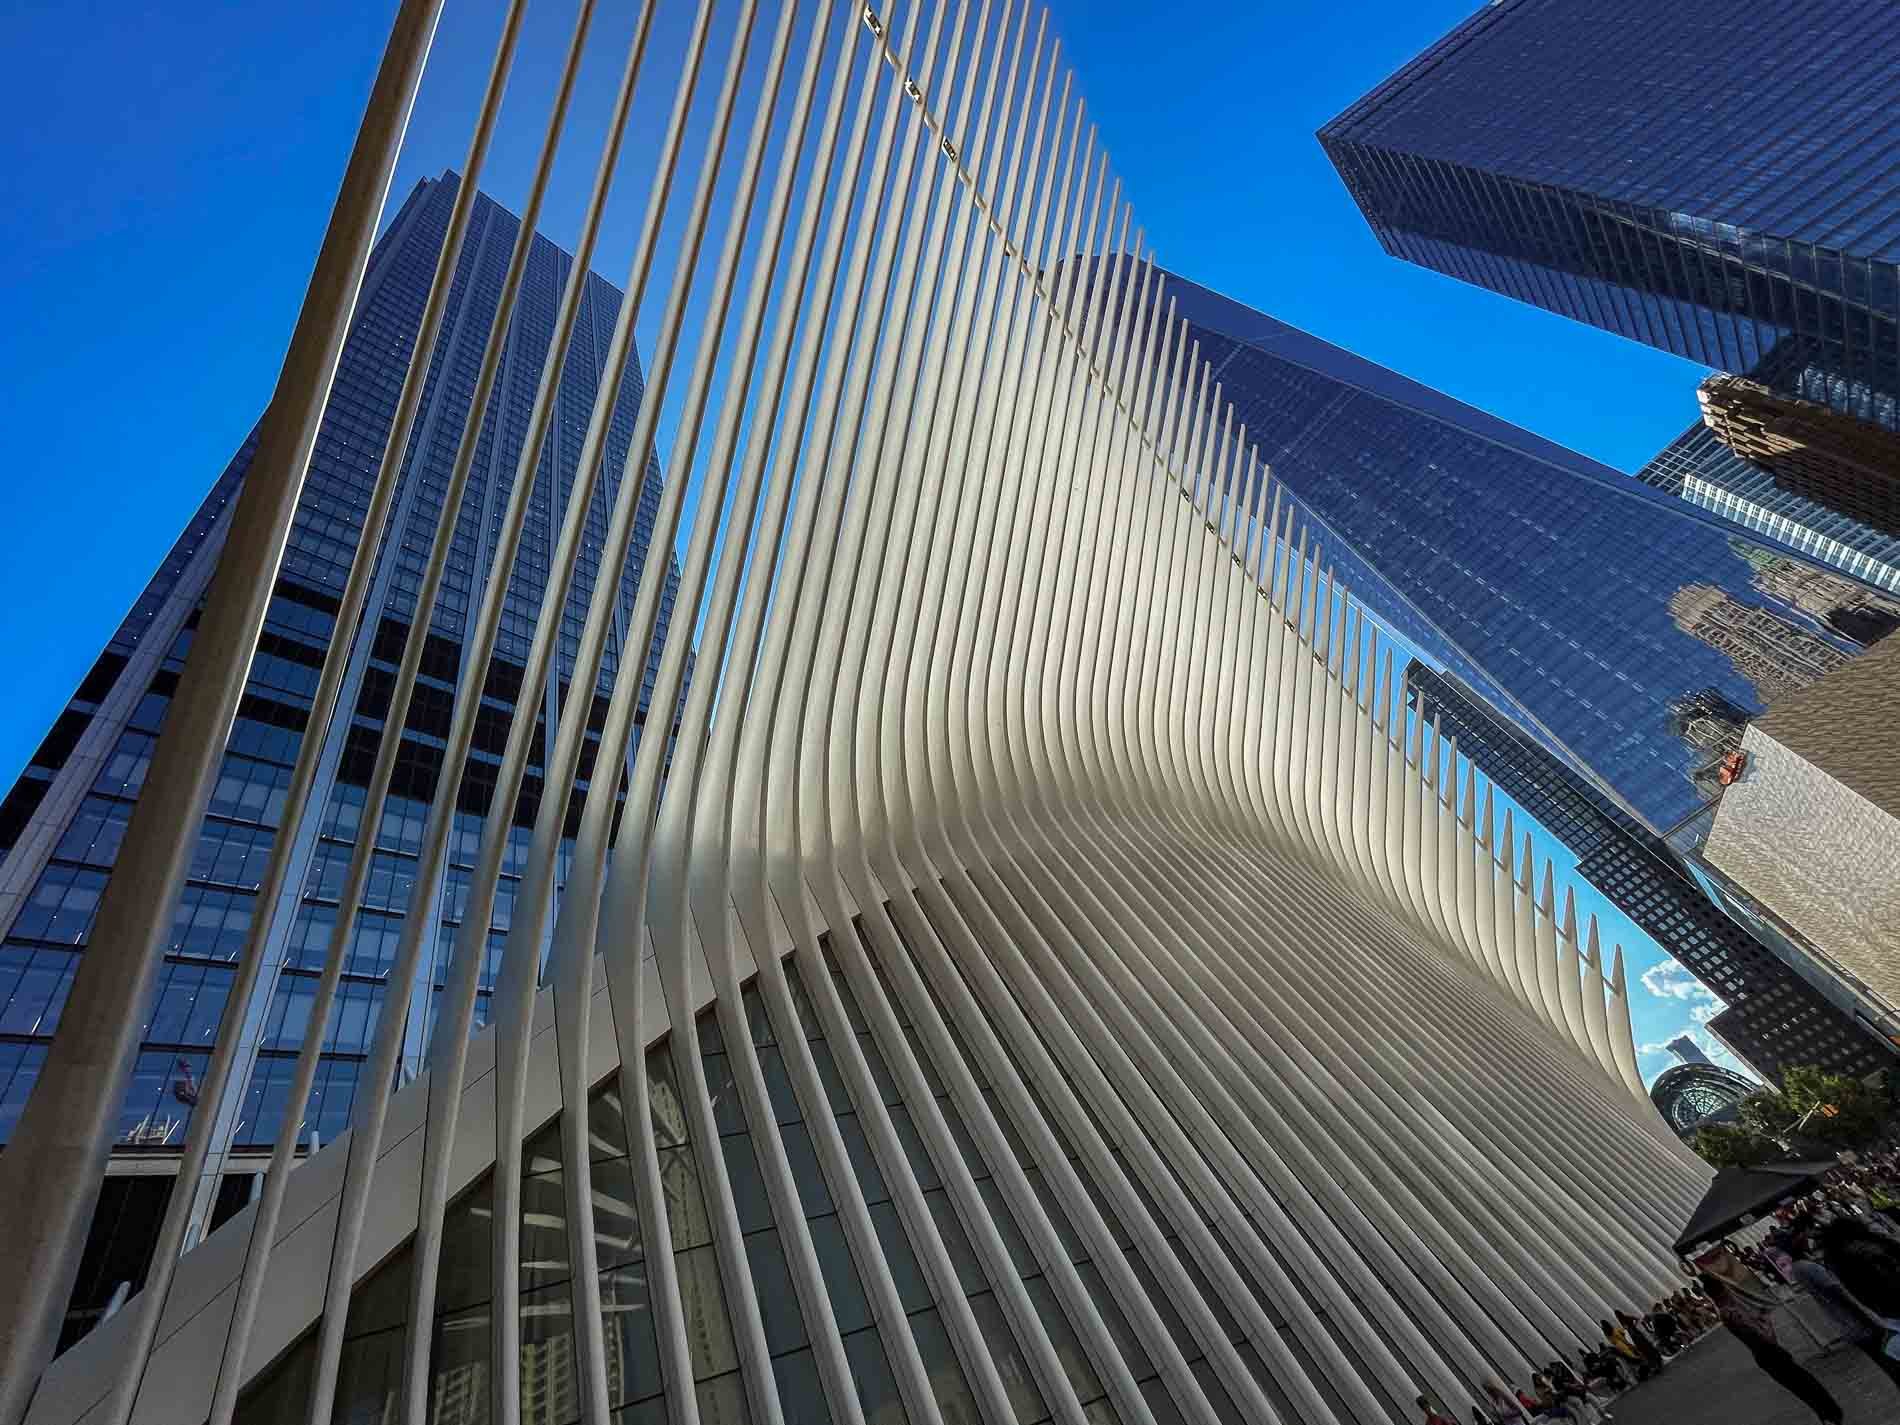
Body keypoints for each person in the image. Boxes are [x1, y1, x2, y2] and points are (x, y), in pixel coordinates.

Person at [1700, 1270, 1843, 1424]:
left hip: (1764, 1354)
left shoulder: (1727, 1310)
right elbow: (1762, 1335)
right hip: (1769, 1351)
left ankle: (1826, 1412)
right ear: (1722, 1290)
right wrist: (1765, 1320)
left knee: (1798, 1385)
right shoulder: (1732, 1311)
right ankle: (1830, 1412)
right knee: (1803, 1382)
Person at [1786, 1232, 1900, 1395]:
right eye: (1803, 1240)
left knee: (1888, 1363)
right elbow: (1840, 1292)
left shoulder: (1797, 1268)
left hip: (1849, 1324)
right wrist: (1870, 1318)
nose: (1808, 1242)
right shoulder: (1810, 1267)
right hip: (1862, 1323)